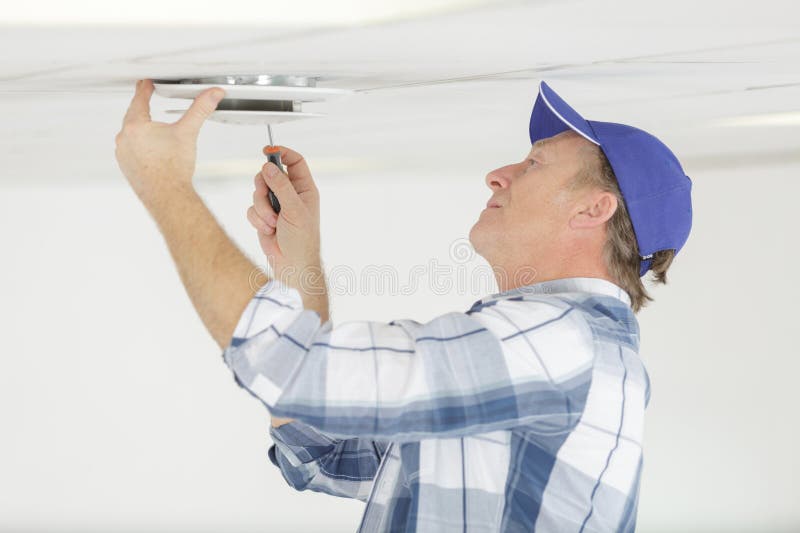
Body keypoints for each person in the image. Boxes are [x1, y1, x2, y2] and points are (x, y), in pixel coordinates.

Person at [114, 79, 692, 532]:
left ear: (594, 210)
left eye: (535, 164)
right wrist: (299, 267)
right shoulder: (560, 350)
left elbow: (285, 366)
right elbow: (326, 453)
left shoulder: (560, 344)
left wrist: (165, 187)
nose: (498, 175)